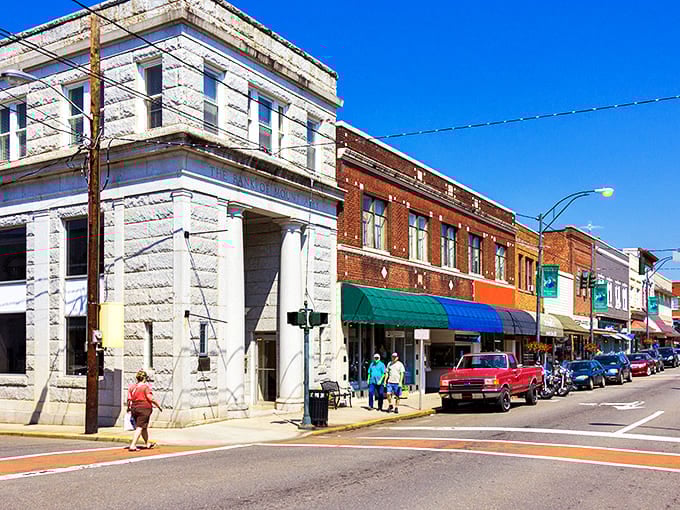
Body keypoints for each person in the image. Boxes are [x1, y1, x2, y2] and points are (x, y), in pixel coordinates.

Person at [127, 370, 162, 452]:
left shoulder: (132, 387)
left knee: (143, 427)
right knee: (139, 427)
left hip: (134, 408)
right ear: (144, 378)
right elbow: (151, 398)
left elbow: (128, 399)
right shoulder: (145, 387)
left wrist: (128, 408)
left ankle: (147, 443)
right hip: (144, 409)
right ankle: (133, 445)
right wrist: (158, 406)